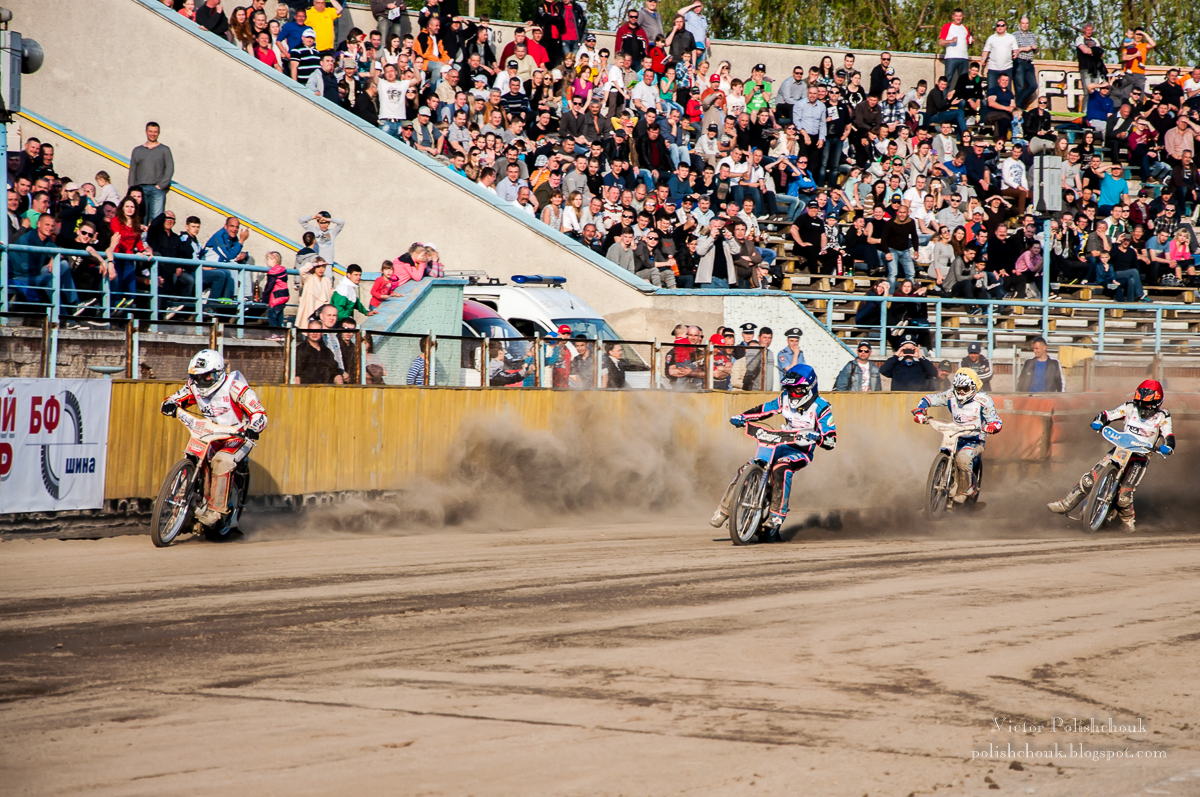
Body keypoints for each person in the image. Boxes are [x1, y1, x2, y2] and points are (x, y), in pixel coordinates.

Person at [710, 365, 837, 539]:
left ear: (809, 388)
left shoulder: (821, 407)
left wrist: (817, 437)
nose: (793, 393)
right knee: (749, 466)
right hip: (782, 442)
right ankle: (723, 510)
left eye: (797, 390)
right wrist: (742, 417)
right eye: (790, 389)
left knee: (781, 468)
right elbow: (764, 410)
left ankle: (777, 515)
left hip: (802, 450)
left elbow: (831, 440)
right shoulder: (784, 398)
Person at [1048, 380, 1174, 532]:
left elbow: (1168, 434)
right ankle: (1065, 505)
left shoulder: (1163, 416)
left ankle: (1128, 522)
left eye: (1146, 404)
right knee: (1089, 479)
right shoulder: (1129, 407)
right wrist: (1099, 420)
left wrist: (1168, 446)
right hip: (1120, 449)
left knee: (1124, 497)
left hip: (1139, 457)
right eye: (1139, 402)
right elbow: (1109, 414)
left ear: (1156, 403)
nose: (1141, 406)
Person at [161, 350, 268, 528]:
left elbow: (259, 413)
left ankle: (215, 510)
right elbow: (175, 398)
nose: (200, 382)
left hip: (237, 435)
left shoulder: (235, 387)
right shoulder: (194, 385)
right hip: (209, 434)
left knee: (222, 460)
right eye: (196, 377)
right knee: (193, 454)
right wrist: (169, 404)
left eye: (206, 377)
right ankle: (182, 503)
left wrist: (254, 427)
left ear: (218, 372)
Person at [912, 368, 1003, 504]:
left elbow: (995, 420)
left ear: (973, 387)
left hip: (974, 440)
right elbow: (928, 399)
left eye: (965, 389)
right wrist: (920, 411)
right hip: (954, 437)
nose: (960, 392)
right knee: (942, 454)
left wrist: (992, 426)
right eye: (958, 388)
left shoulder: (984, 400)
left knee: (963, 458)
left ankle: (966, 489)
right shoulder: (950, 395)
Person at [128, 122, 174, 223]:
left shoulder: (164, 150)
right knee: (140, 218)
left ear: (159, 133)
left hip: (157, 190)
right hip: (141, 190)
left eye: (155, 132)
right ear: (146, 132)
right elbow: (132, 171)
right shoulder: (137, 150)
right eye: (150, 131)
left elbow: (169, 168)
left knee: (156, 220)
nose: (153, 134)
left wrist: (161, 185)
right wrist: (132, 189)